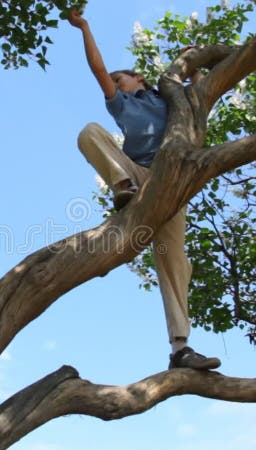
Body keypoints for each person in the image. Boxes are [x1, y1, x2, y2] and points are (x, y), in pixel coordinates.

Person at [68, 9, 220, 371]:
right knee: (89, 131)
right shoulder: (123, 104)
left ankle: (181, 350)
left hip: (173, 180)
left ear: (139, 77)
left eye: (121, 81)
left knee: (175, 262)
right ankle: (123, 188)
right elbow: (98, 70)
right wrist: (85, 27)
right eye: (115, 84)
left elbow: (202, 91)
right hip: (137, 175)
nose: (115, 86)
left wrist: (194, 57)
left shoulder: (170, 97)